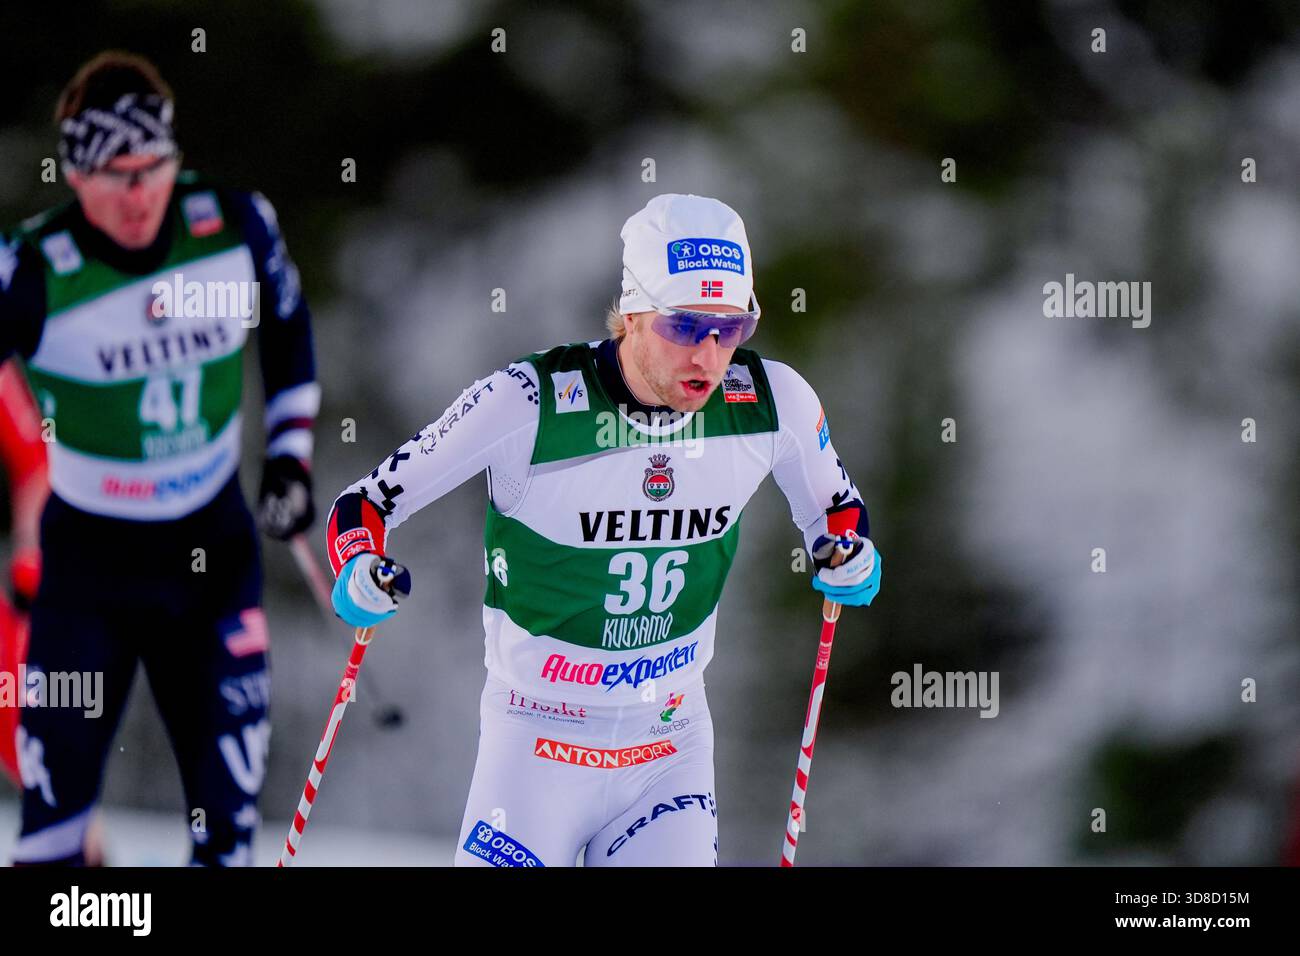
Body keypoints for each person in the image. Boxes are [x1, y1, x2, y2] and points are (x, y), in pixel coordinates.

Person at [326, 193, 881, 866]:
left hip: (668, 747)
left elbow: (836, 511)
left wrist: (847, 555)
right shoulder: (525, 404)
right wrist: (360, 563)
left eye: (731, 328)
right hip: (536, 742)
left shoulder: (772, 403)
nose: (708, 355)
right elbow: (370, 502)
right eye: (684, 326)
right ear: (632, 313)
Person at [0, 51, 319, 865]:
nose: (139, 194)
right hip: (87, 574)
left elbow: (287, 330)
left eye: (153, 168)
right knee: (54, 833)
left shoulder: (231, 226)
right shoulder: (36, 270)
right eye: (114, 174)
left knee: (226, 832)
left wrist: (288, 459)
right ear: (75, 175)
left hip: (210, 565)